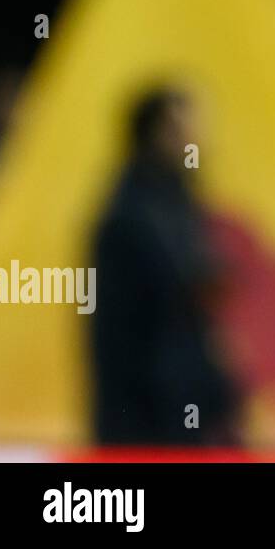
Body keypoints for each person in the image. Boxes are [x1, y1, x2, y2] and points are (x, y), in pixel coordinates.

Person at [89, 87, 240, 446]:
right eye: (180, 129)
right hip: (150, 416)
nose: (193, 141)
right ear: (155, 133)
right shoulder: (128, 215)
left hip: (186, 402)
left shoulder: (179, 200)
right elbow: (126, 333)